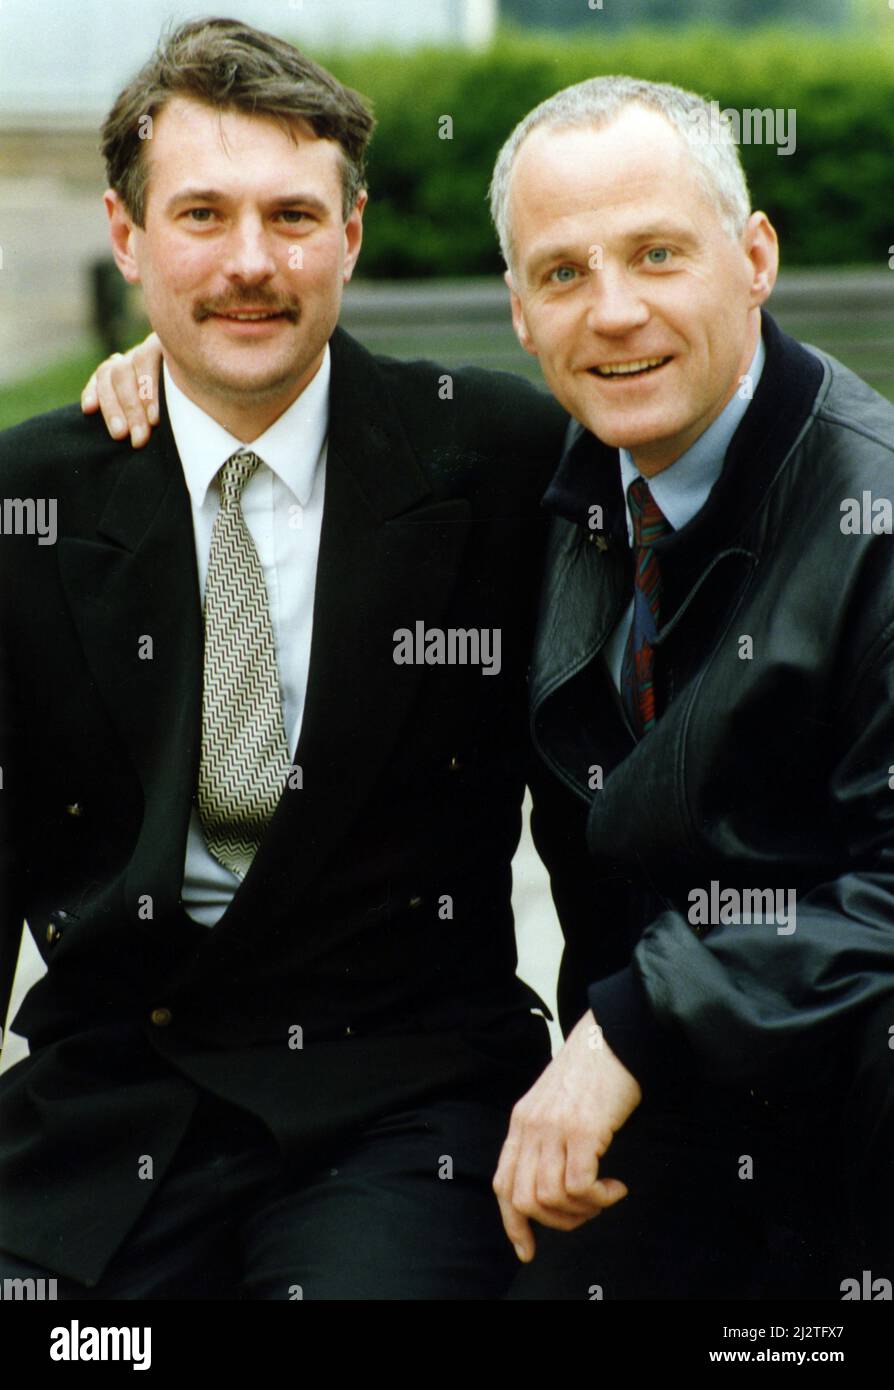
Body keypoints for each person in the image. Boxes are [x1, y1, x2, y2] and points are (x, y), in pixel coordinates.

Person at [81, 74, 894, 1301]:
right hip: (650, 1130)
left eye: (658, 254)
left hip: (848, 1124)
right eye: (564, 273)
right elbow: (319, 413)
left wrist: (635, 1019)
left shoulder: (869, 517)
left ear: (756, 256)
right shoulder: (554, 468)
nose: (614, 312)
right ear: (520, 312)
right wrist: (194, 362)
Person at [0, 18, 568, 1300]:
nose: (250, 263)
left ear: (351, 237)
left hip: (402, 1105)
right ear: (128, 235)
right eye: (201, 216)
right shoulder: (29, 499)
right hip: (114, 1106)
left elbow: (686, 405)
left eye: (293, 219)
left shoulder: (496, 460)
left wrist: (612, 1045)